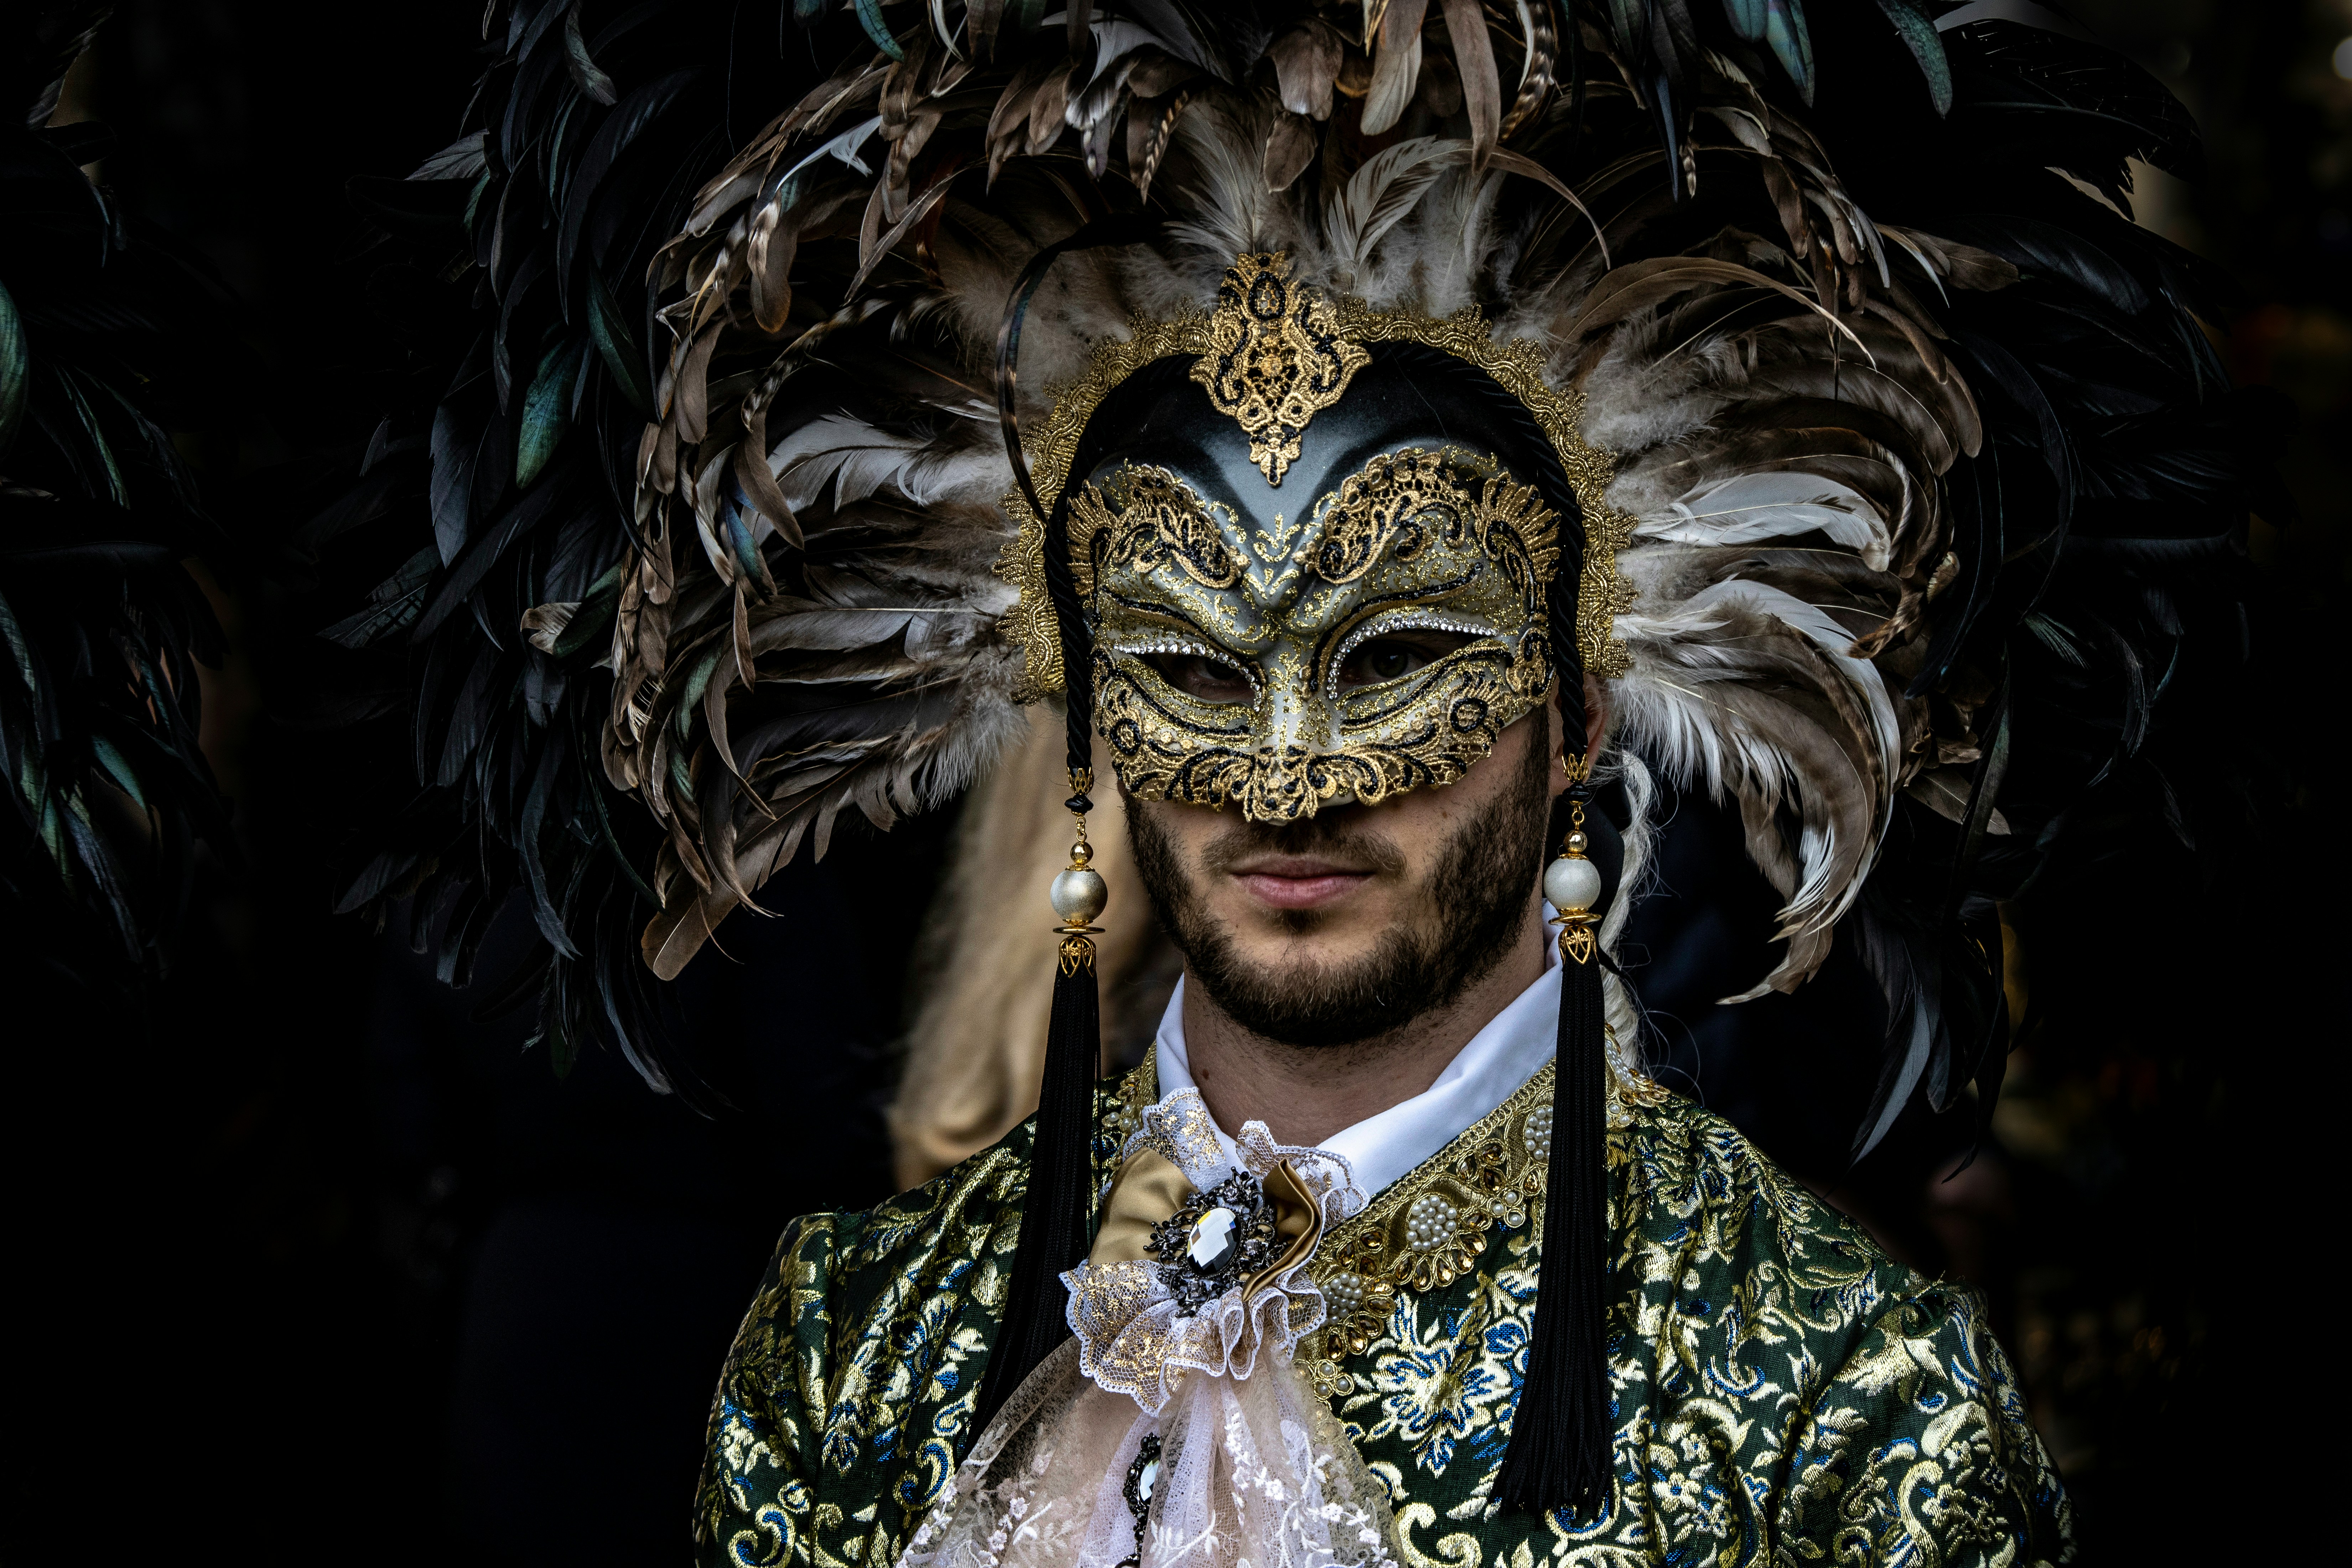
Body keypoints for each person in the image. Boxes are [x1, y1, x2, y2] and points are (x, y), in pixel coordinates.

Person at [335, 3, 2254, 1564]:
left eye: (1401, 654)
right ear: (1084, 718)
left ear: (1579, 716)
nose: (1284, 770)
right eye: (1183, 663)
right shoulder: (850, 1354)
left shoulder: (1848, 1404)